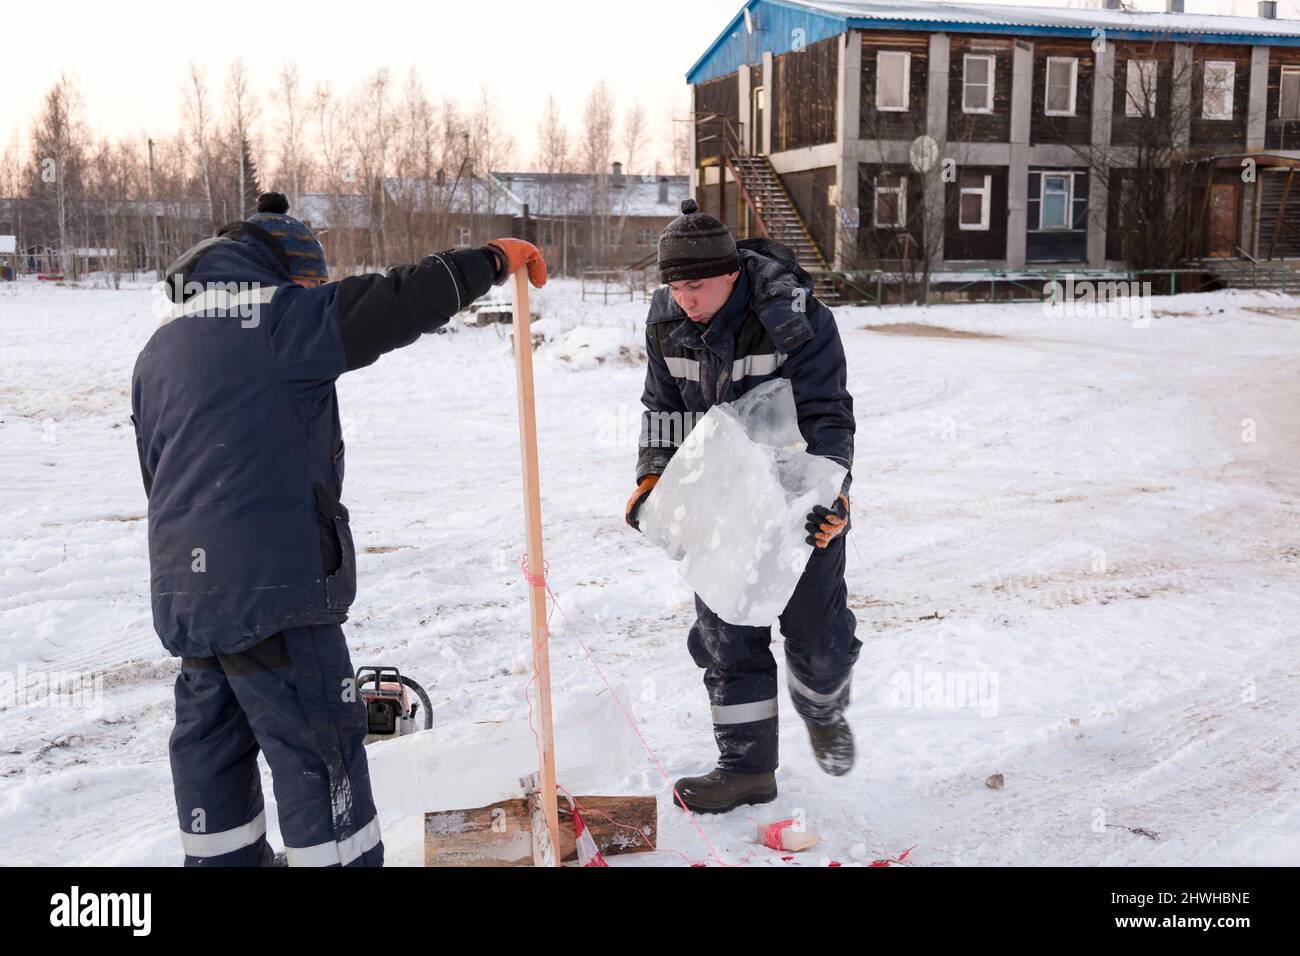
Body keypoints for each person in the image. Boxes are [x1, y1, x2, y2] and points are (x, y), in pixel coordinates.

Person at [131, 192, 546, 865]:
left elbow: (158, 475)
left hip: (187, 597)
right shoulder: (281, 322)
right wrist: (493, 259)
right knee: (321, 763)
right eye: (314, 286)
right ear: (294, 280)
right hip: (277, 592)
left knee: (212, 757)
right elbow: (397, 301)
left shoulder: (160, 350)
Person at [626, 199, 858, 814]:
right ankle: (747, 769)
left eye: (696, 285)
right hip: (721, 496)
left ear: (732, 273)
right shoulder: (666, 320)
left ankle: (823, 702)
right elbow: (663, 411)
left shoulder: (794, 317)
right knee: (726, 630)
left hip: (795, 494)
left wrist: (832, 497)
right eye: (674, 286)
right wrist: (653, 481)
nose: (685, 299)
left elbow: (828, 416)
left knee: (817, 637)